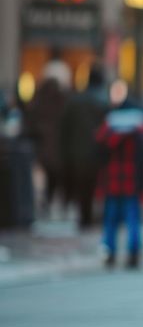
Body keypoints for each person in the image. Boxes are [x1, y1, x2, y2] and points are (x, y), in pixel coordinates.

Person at [95, 84, 143, 268]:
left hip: (112, 178)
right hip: (132, 178)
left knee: (110, 219)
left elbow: (99, 146)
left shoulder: (109, 125)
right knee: (132, 217)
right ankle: (133, 251)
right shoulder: (139, 127)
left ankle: (109, 250)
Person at [60, 64, 108, 228]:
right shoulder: (103, 102)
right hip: (96, 152)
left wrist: (65, 150)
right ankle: (89, 217)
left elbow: (64, 128)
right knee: (93, 186)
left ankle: (84, 216)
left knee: (82, 187)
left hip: (76, 152)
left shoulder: (75, 101)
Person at [21, 76, 68, 215]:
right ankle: (58, 203)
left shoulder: (38, 101)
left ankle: (47, 201)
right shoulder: (63, 100)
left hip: (43, 147)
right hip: (58, 147)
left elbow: (28, 125)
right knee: (56, 176)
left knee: (47, 176)